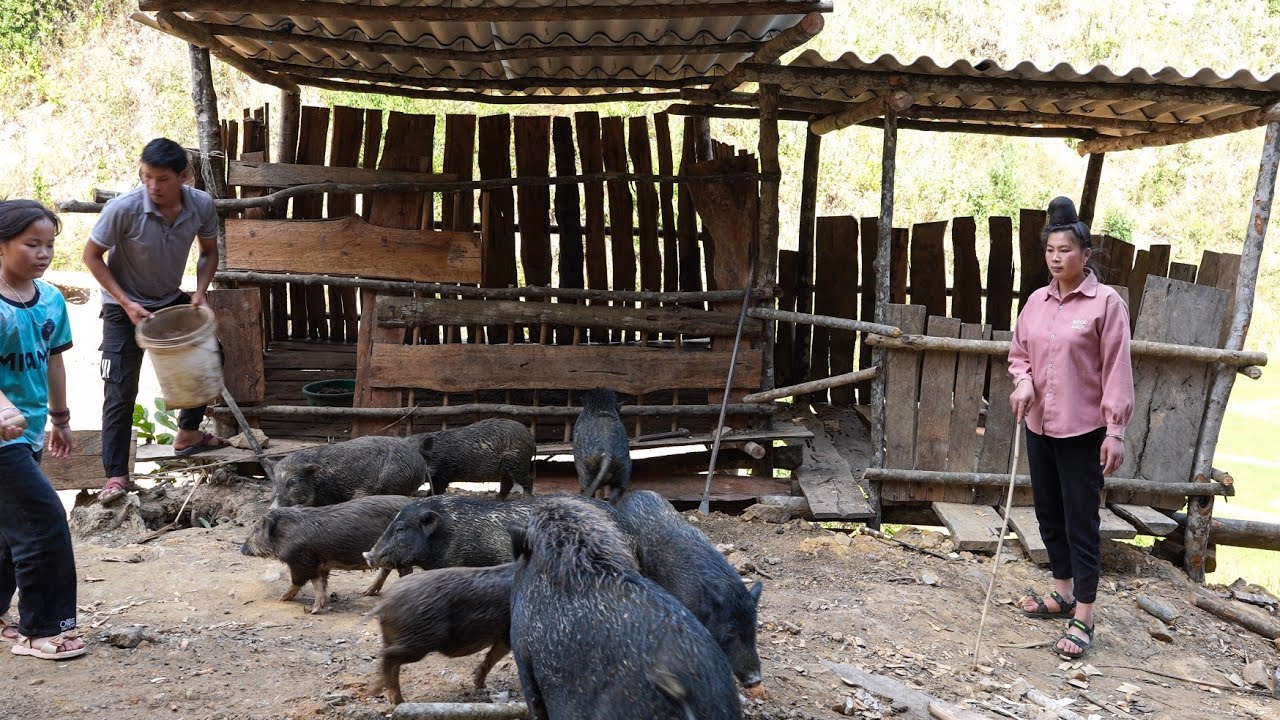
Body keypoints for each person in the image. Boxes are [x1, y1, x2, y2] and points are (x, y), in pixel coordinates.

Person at [1009, 196, 1134, 660]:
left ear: (1085, 254)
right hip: (1040, 426)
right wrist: (1023, 384)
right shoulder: (1037, 303)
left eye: (1065, 250)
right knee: (1048, 514)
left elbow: (1117, 370)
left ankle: (1084, 614)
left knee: (1082, 521)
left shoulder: (1106, 304)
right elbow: (1019, 354)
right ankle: (1062, 591)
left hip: (1084, 431)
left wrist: (1115, 430)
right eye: (1050, 250)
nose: (1057, 258)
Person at [84, 138, 228, 504]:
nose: (152, 186)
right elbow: (92, 257)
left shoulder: (201, 204)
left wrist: (199, 292)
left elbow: (208, 253)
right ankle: (116, 476)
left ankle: (187, 435)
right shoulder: (123, 209)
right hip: (122, 306)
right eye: (146, 176)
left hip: (167, 299)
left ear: (184, 176)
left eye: (161, 179)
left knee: (211, 353)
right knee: (119, 386)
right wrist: (125, 302)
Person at [0, 199, 87, 660]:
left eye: (50, 244)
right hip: (0, 437)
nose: (43, 253)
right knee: (42, 521)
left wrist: (61, 418)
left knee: (10, 526)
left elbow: (53, 360)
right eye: (31, 244)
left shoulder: (50, 299)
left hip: (28, 430)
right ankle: (43, 629)